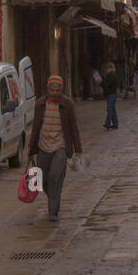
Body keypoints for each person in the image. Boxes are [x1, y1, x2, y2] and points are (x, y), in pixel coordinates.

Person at [27, 74, 83, 223]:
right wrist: (31, 151)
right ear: (47, 90)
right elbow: (35, 128)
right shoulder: (40, 104)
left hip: (61, 146)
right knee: (44, 180)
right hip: (43, 147)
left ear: (61, 90)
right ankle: (53, 198)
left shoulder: (68, 104)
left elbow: (73, 128)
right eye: (52, 90)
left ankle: (53, 210)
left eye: (57, 91)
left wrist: (78, 150)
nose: (54, 93)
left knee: (55, 177)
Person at [102, 62, 119, 129]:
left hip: (111, 94)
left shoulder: (112, 76)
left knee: (109, 109)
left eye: (108, 68)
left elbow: (106, 85)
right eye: (106, 69)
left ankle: (107, 123)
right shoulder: (110, 75)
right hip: (112, 94)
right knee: (113, 110)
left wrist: (100, 82)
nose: (106, 70)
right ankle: (115, 124)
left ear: (111, 68)